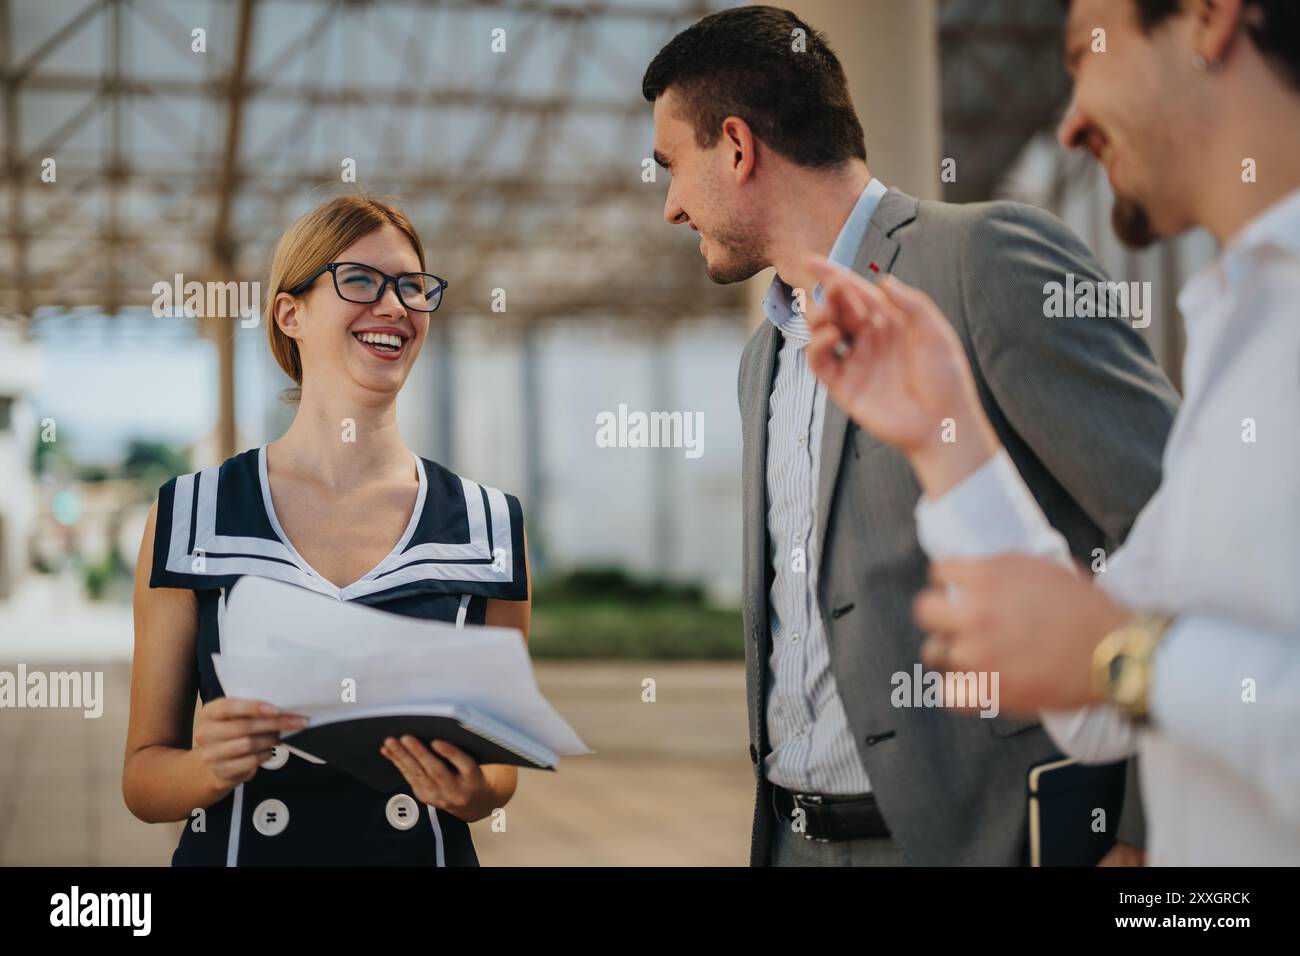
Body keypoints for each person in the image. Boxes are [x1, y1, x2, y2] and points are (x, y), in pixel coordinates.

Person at [642, 5, 1180, 866]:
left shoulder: (983, 260)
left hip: (985, 841)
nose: (669, 206)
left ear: (737, 148)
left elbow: (1170, 523)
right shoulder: (763, 358)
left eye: (669, 166)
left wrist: (1140, 833)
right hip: (791, 839)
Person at [803, 0, 1300, 865]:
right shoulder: (1240, 328)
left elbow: (1119, 662)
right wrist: (945, 438)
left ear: (1209, 18)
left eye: (1086, 56)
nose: (1069, 125)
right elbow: (1097, 702)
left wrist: (1130, 660)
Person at [122, 195, 532, 866]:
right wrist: (209, 766)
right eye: (361, 282)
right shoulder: (190, 515)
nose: (396, 307)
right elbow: (143, 778)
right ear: (291, 314)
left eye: (412, 288)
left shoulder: (488, 527)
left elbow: (502, 767)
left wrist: (471, 792)